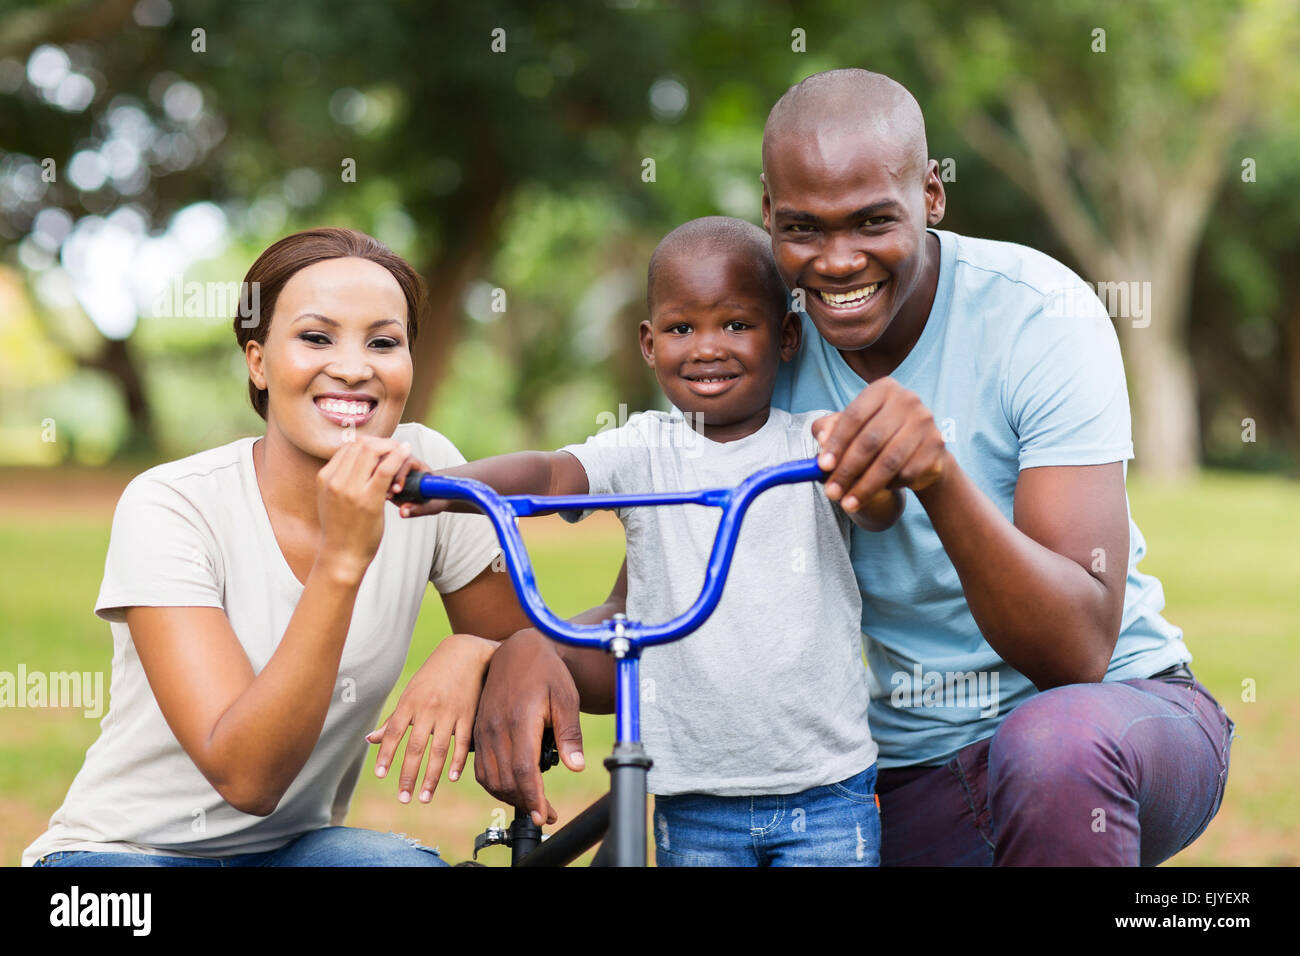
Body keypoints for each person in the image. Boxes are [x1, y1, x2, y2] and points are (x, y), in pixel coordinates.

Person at [472, 70, 1236, 867]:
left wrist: (936, 477)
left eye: (873, 221)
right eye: (804, 228)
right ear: (768, 215)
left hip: (1113, 719)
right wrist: (533, 646)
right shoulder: (760, 356)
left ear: (932, 195)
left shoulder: (1039, 314)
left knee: (1051, 752)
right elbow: (662, 611)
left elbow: (1073, 653)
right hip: (902, 773)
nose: (838, 263)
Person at [396, 217, 901, 866]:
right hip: (690, 792)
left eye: (737, 324)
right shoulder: (642, 448)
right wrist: (447, 486)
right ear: (649, 342)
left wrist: (874, 473)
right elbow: (552, 474)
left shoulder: (813, 444)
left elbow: (881, 510)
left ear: (787, 336)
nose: (707, 347)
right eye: (682, 328)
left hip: (826, 787)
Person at [23, 227, 531, 867]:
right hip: (120, 855)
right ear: (258, 361)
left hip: (290, 851)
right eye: (316, 337)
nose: (353, 366)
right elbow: (248, 778)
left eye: (384, 341)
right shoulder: (172, 504)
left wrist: (473, 649)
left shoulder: (428, 471)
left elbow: (530, 651)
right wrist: (343, 561)